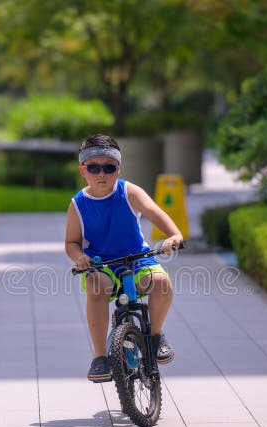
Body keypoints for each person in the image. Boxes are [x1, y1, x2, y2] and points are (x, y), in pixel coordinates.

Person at [65, 133, 184, 382]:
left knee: (162, 284)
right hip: (102, 264)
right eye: (93, 168)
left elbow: (153, 212)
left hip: (137, 259)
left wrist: (173, 234)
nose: (101, 174)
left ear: (118, 169)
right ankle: (100, 357)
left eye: (108, 168)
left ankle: (154, 335)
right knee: (96, 287)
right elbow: (71, 243)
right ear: (82, 170)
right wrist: (79, 258)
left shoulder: (129, 192)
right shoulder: (78, 204)